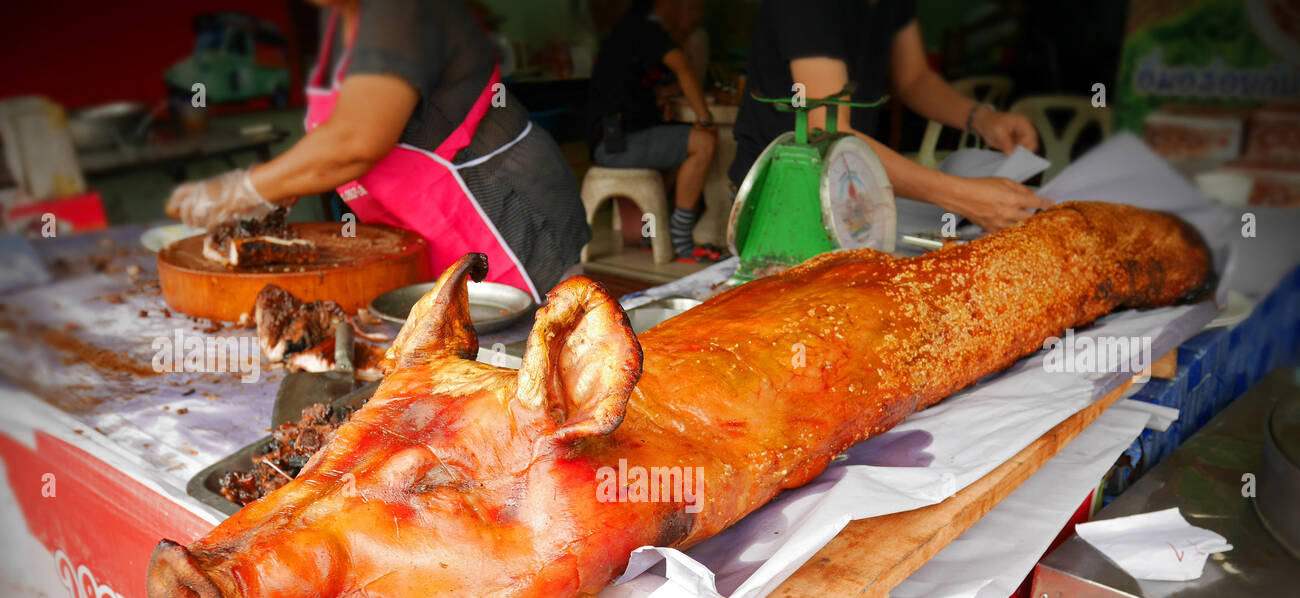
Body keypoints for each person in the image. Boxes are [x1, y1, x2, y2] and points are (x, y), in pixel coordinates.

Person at [166, 0, 588, 300]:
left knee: (523, 373)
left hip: (503, 219)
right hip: (427, 238)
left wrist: (246, 188)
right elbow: (335, 129)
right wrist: (286, 181)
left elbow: (355, 141)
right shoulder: (344, 22)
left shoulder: (401, 10)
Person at [730, 1, 1048, 233]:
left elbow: (914, 80)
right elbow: (830, 132)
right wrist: (963, 196)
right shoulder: (811, 8)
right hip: (780, 197)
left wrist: (982, 119)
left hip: (847, 191)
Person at [586, 0, 720, 261]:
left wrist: (660, 103)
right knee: (703, 142)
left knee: (678, 146)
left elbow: (635, 88)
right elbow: (683, 68)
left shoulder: (628, 29)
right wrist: (705, 119)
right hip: (615, 144)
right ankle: (681, 240)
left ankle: (653, 234)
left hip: (611, 140)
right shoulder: (645, 26)